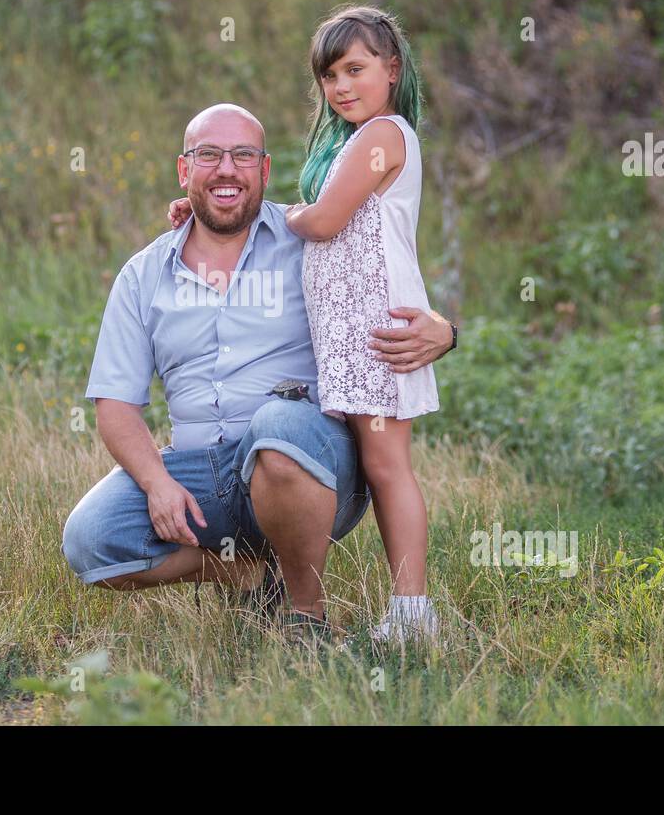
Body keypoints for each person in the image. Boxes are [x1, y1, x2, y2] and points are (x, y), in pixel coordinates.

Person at [63, 101, 456, 647]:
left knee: (277, 425)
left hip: (307, 461)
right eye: (209, 155)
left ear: (265, 170)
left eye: (243, 156)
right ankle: (246, 574)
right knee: (91, 539)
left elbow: (385, 267)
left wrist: (445, 329)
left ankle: (305, 616)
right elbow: (115, 404)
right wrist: (157, 483)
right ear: (183, 170)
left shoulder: (312, 239)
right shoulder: (143, 274)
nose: (226, 169)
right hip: (200, 473)